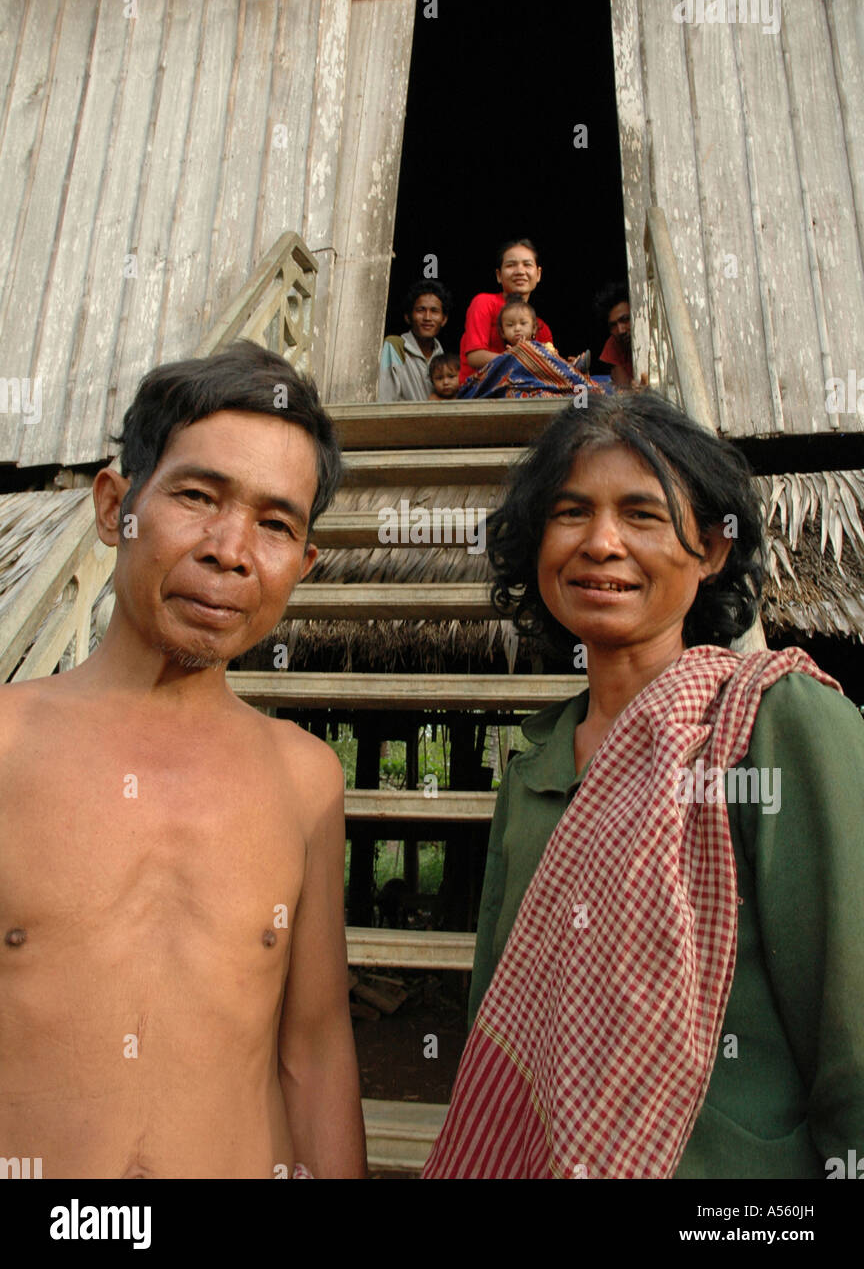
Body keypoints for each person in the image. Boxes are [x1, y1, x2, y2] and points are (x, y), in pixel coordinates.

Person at [424, 389, 864, 1179]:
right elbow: (505, 1025)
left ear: (712, 550)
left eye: (643, 515)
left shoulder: (778, 724)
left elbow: (855, 1042)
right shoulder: (535, 762)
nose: (601, 542)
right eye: (569, 513)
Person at [0, 340, 367, 1179]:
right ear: (113, 507)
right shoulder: (7, 746)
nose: (230, 550)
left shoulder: (304, 779)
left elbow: (313, 1047)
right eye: (198, 496)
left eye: (276, 524)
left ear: (303, 565)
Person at [458, 239, 552, 385]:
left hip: (526, 392)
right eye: (511, 265)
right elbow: (475, 356)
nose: (520, 271)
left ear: (538, 274)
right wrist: (521, 360)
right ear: (499, 275)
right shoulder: (484, 303)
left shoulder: (541, 327)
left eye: (527, 264)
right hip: (480, 390)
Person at [377, 279, 451, 401]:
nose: (427, 317)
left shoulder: (443, 358)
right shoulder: (395, 347)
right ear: (408, 317)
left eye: (434, 311)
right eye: (420, 310)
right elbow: (385, 400)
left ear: (444, 319)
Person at [594, 280, 633, 387]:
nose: (620, 330)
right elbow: (623, 390)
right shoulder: (613, 344)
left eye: (625, 319)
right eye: (613, 325)